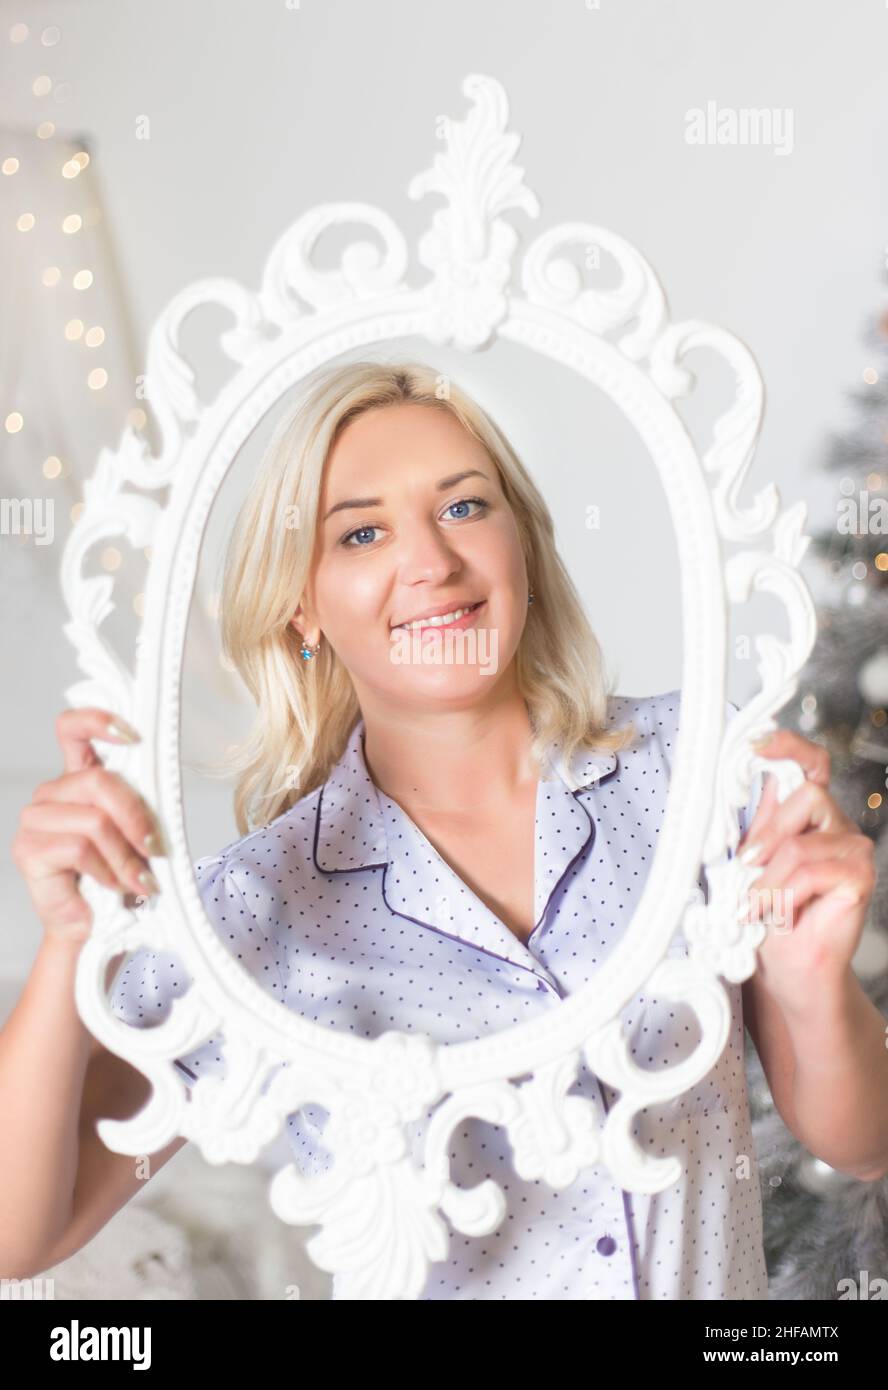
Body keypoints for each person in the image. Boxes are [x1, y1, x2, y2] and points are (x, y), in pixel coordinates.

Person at [3, 361, 885, 1301]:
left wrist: (813, 987)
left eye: (464, 508)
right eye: (363, 532)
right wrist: (69, 942)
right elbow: (23, 1234)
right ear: (302, 605)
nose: (431, 561)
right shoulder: (250, 911)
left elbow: (862, 1140)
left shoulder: (701, 769)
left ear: (524, 547)